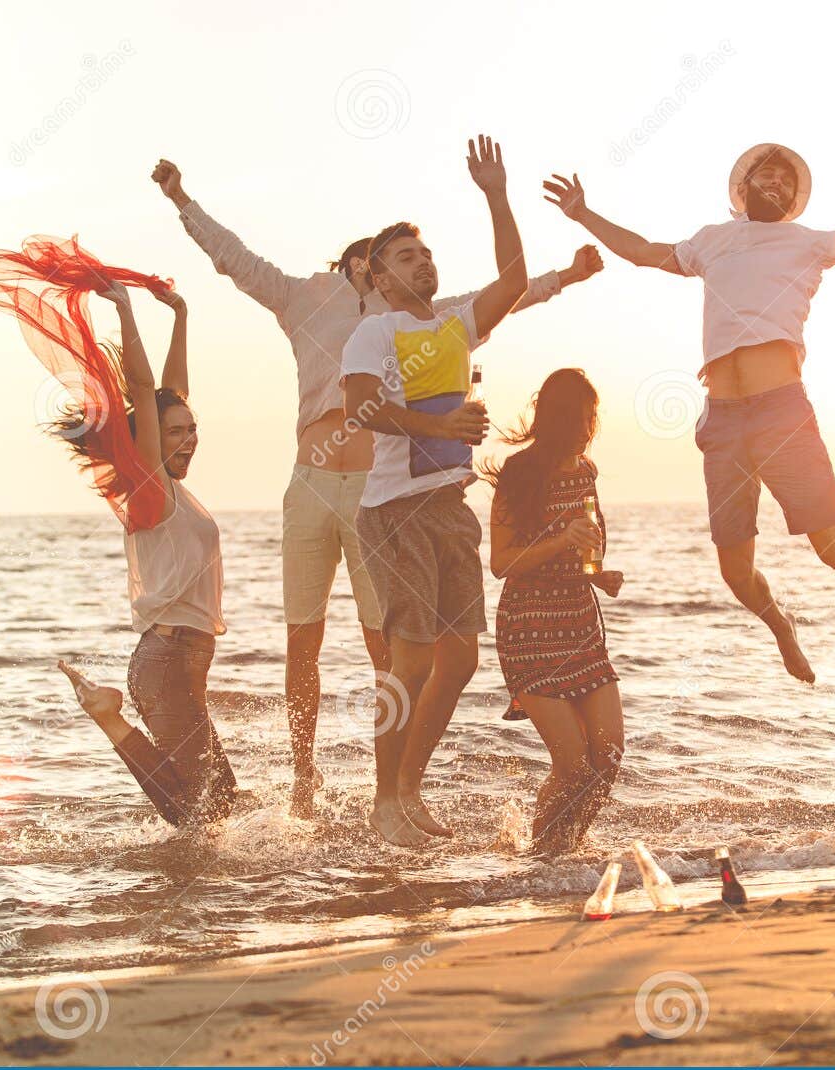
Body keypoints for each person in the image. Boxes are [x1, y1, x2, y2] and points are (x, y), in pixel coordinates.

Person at [151, 158, 603, 817]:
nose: (393, 263)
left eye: (408, 253)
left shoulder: (421, 318)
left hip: (379, 486)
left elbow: (506, 292)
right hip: (311, 482)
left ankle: (386, 785)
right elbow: (235, 259)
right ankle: (306, 777)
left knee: (388, 644)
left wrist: (565, 276)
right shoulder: (302, 296)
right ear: (358, 264)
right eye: (386, 254)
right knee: (302, 638)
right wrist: (182, 200)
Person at [544, 88, 835, 684]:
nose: (774, 184)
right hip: (723, 421)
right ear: (743, 187)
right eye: (765, 176)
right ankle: (782, 627)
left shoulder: (809, 244)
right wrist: (583, 214)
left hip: (782, 414)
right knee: (733, 572)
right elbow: (643, 253)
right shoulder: (711, 242)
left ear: (793, 198)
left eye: (784, 180)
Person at [0, 237, 235, 826]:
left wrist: (182, 313)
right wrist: (126, 311)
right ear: (152, 441)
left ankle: (110, 717)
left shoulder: (176, 495)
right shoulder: (151, 490)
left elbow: (168, 390)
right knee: (208, 810)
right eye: (177, 431)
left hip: (183, 659)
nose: (190, 437)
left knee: (209, 804)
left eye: (194, 428)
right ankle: (109, 719)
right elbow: (143, 391)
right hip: (166, 657)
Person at [338, 134, 526, 847]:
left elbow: (512, 279)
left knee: (462, 659)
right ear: (380, 278)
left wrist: (496, 195)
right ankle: (382, 803)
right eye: (404, 255)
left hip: (452, 506)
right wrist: (436, 420)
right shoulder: (374, 331)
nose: (421, 261)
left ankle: (409, 790)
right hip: (393, 511)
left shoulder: (453, 323)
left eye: (425, 252)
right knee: (409, 657)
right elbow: (360, 408)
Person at [483, 369, 624, 855]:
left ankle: (565, 852)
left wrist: (598, 574)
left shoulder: (585, 471)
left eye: (594, 417)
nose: (591, 427)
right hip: (529, 631)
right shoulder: (520, 474)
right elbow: (502, 563)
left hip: (579, 623)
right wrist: (561, 539)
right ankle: (542, 856)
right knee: (573, 766)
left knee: (608, 756)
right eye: (585, 417)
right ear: (562, 417)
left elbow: (587, 547)